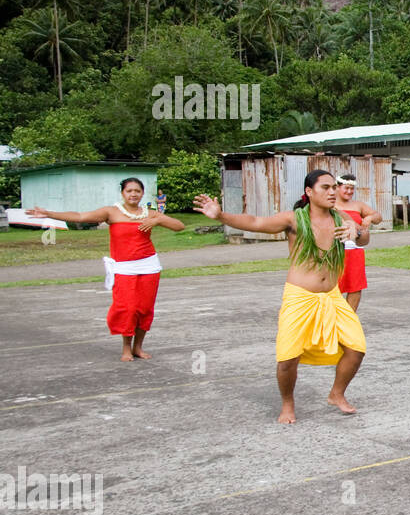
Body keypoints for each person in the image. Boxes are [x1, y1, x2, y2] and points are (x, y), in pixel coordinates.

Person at [194, 170, 366, 423]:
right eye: (326, 187)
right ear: (309, 192)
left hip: (331, 296)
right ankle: (287, 404)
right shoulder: (294, 220)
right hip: (299, 297)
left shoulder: (341, 217)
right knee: (288, 358)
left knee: (356, 348)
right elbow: (254, 222)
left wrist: (357, 230)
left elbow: (364, 240)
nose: (332, 192)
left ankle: (336, 394)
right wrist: (220, 215)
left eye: (334, 187)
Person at [26, 177, 184, 362]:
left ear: (142, 193)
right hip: (124, 268)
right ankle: (126, 348)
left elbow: (179, 226)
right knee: (128, 308)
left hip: (149, 266)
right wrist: (48, 213)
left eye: (137, 191)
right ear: (122, 193)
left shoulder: (150, 214)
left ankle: (138, 348)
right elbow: (80, 217)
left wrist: (156, 221)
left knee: (144, 308)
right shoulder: (111, 212)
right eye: (129, 191)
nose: (133, 194)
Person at [335, 173, 379, 313]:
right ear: (337, 187)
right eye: (346, 188)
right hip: (335, 250)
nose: (349, 192)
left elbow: (378, 217)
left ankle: (349, 318)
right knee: (333, 286)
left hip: (354, 250)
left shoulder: (358, 205)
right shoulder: (331, 204)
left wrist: (370, 217)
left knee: (355, 286)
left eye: (351, 189)